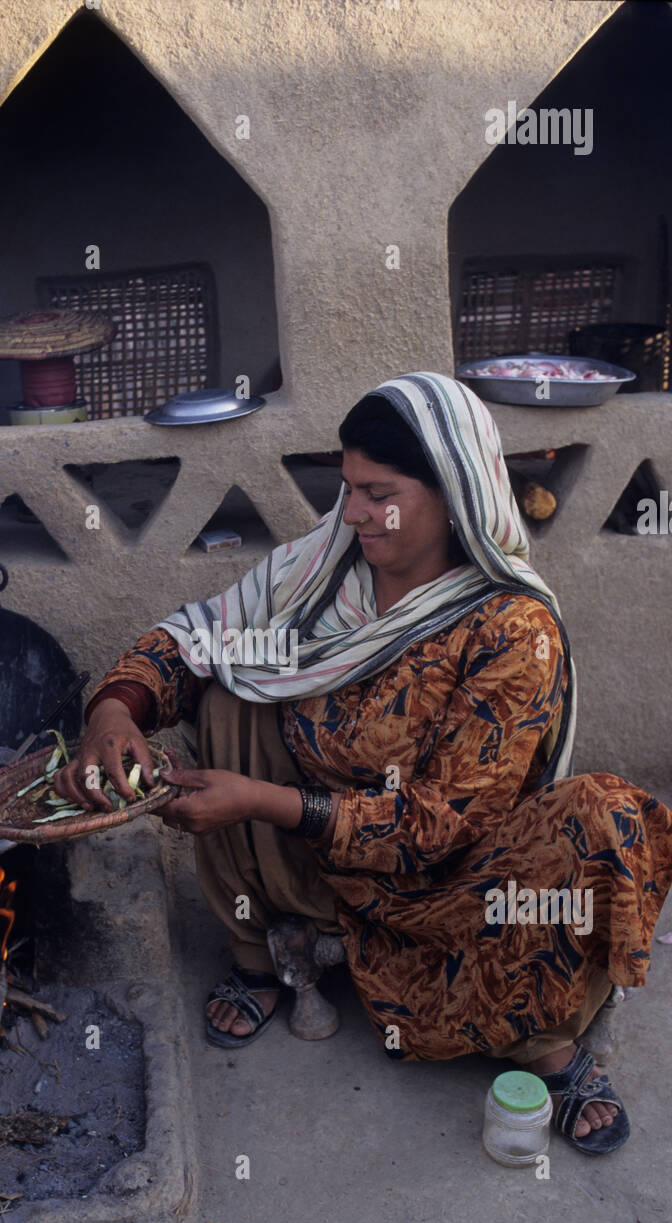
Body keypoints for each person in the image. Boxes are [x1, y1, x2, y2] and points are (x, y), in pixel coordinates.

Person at [55, 371, 672, 1155]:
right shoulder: (324, 572)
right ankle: (262, 949)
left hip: (456, 879)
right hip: (322, 861)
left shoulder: (511, 629)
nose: (352, 514)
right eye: (346, 489)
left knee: (603, 815)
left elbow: (442, 825)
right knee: (231, 694)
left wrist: (258, 800)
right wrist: (113, 712)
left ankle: (544, 1043)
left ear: (453, 492)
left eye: (377, 492)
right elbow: (196, 638)